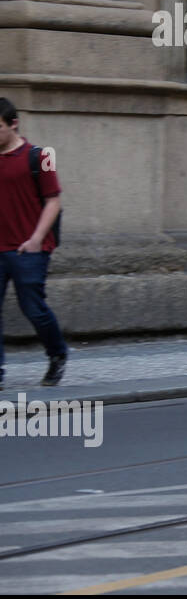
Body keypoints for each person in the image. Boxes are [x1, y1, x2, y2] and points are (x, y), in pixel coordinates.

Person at [0, 98, 68, 389]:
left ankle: (57, 354)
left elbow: (53, 201)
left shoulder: (41, 156)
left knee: (33, 308)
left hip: (29, 247)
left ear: (13, 124)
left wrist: (37, 239)